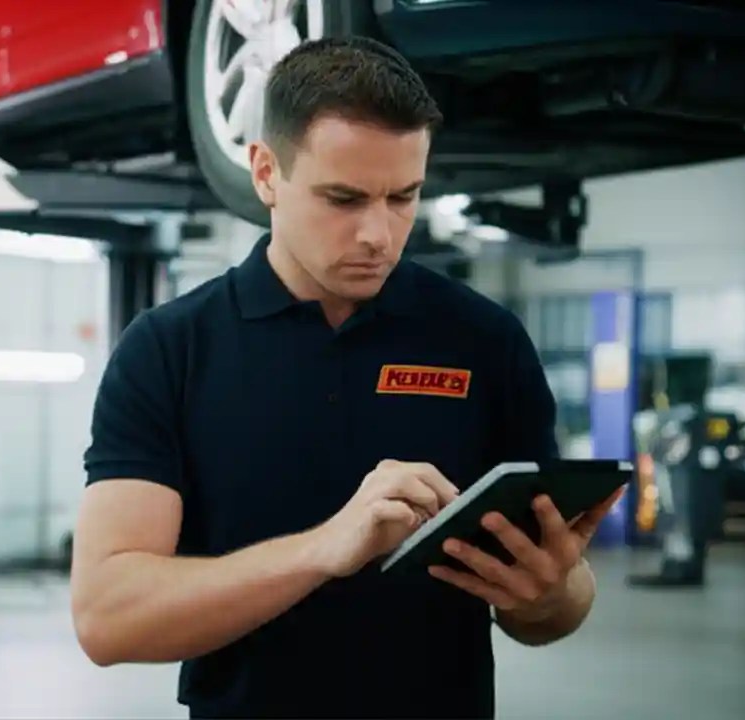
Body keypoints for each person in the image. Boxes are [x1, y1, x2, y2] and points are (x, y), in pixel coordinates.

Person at [72, 37, 624, 719]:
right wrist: (323, 550)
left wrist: (552, 595)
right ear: (267, 172)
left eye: (403, 196)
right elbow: (107, 617)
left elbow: (554, 606)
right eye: (344, 198)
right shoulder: (169, 351)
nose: (378, 235)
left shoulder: (484, 341)